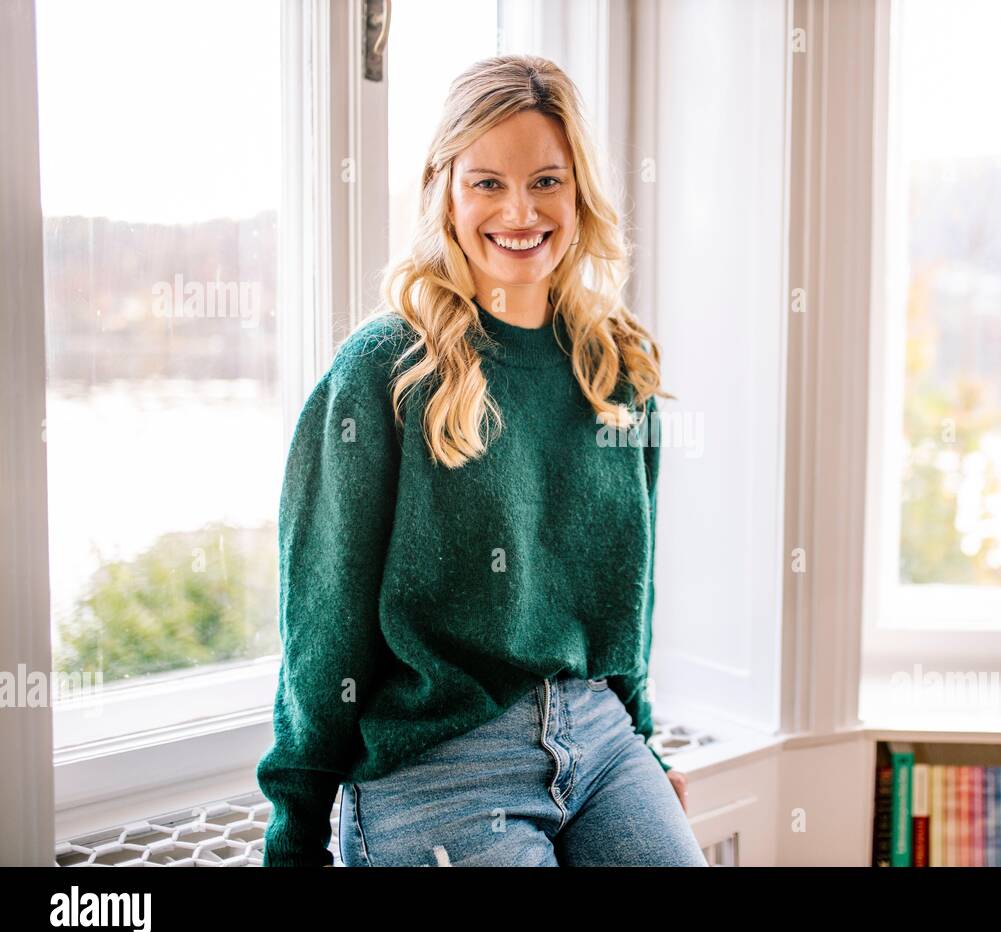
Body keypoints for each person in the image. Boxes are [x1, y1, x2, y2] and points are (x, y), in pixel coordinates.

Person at [255, 53, 706, 867]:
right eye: (487, 183)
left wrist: (645, 742)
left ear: (580, 192)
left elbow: (625, 601)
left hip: (600, 741)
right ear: (445, 191)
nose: (520, 210)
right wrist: (294, 834)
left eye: (547, 180)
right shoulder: (387, 368)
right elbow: (323, 621)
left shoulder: (617, 367)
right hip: (438, 761)